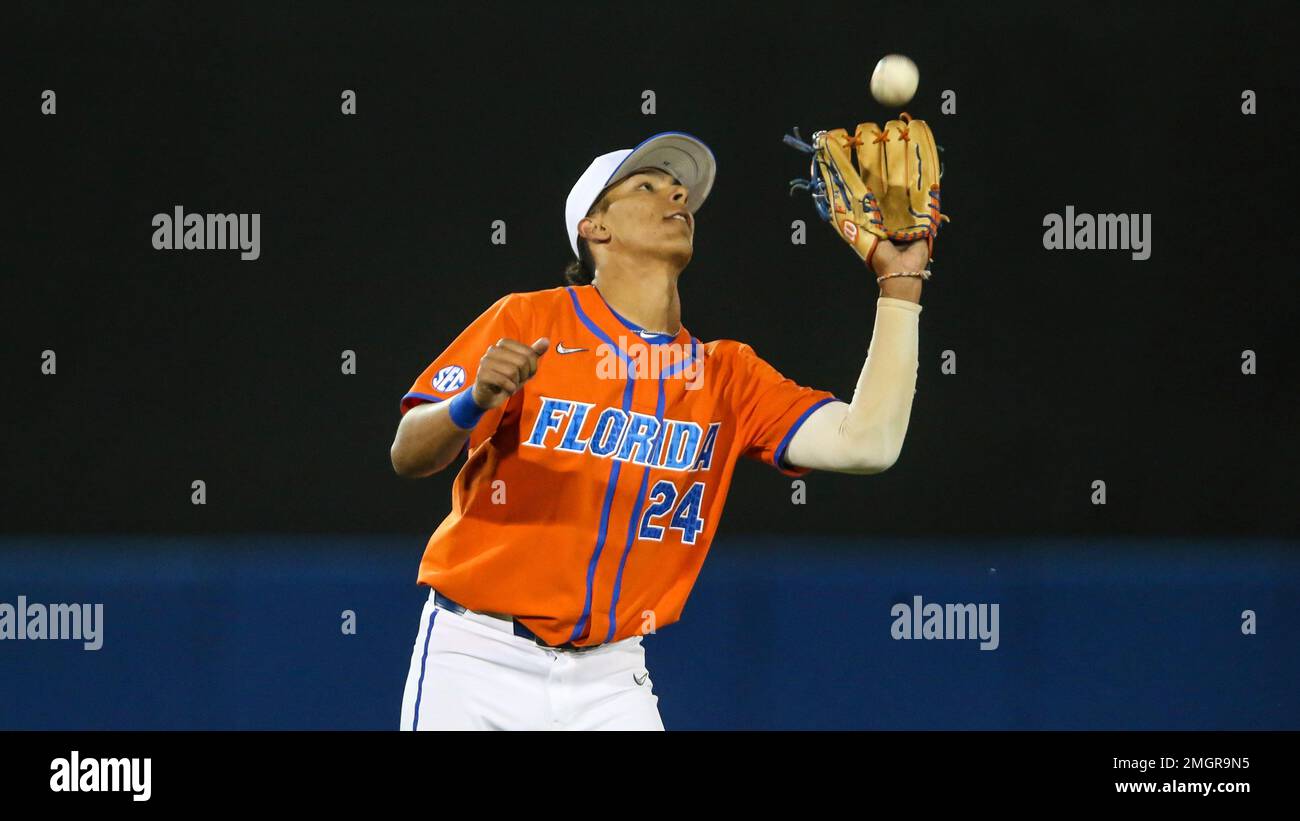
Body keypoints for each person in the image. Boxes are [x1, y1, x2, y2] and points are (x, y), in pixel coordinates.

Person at [393, 132, 929, 730]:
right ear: (595, 228)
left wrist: (900, 290)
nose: (675, 193)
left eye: (678, 189)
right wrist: (472, 402)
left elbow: (869, 444)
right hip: (480, 657)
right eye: (645, 186)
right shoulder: (529, 318)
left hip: (611, 678)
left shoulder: (727, 375)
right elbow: (409, 453)